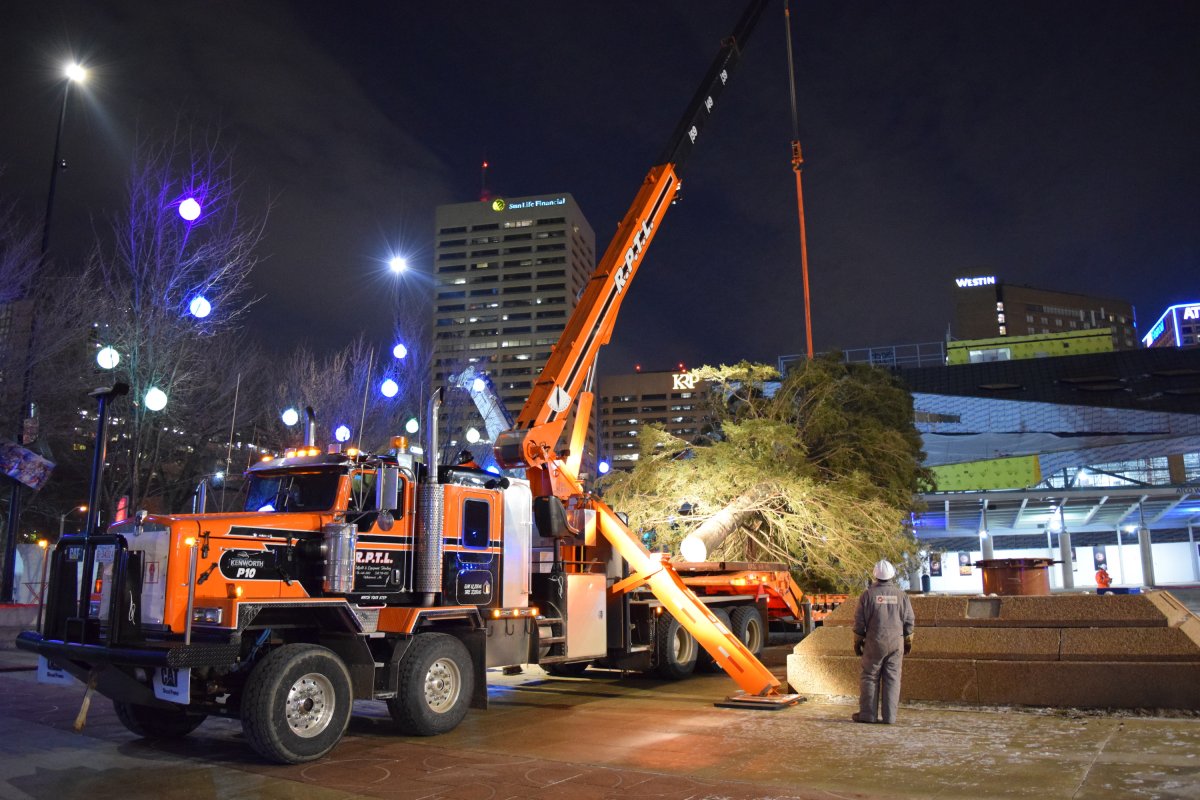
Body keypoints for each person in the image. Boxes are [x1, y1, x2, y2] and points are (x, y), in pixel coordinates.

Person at [852, 559, 915, 724]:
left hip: (874, 643)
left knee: (870, 676)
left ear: (875, 575)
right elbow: (909, 621)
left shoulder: (867, 595)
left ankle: (868, 715)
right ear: (892, 575)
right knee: (893, 679)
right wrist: (907, 641)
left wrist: (857, 641)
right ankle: (890, 717)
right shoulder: (902, 596)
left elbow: (859, 622)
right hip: (896, 643)